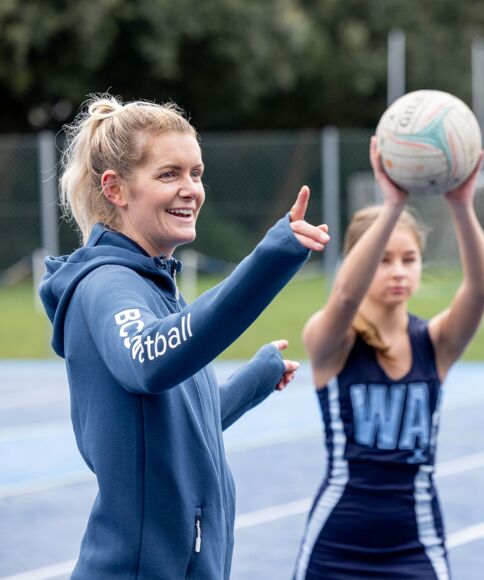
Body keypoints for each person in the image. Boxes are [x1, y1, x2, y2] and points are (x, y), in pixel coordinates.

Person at [39, 95, 330, 579]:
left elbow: (172, 427)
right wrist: (269, 260)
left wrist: (253, 381)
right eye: (169, 174)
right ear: (115, 188)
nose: (190, 189)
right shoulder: (106, 284)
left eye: (196, 174)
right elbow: (151, 362)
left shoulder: (155, 285)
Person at [292, 137, 484, 579]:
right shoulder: (332, 341)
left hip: (415, 539)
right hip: (337, 543)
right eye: (383, 260)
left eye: (409, 259)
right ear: (360, 263)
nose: (399, 271)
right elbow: (345, 295)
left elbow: (480, 290)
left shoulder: (434, 342)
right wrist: (393, 207)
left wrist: (461, 206)